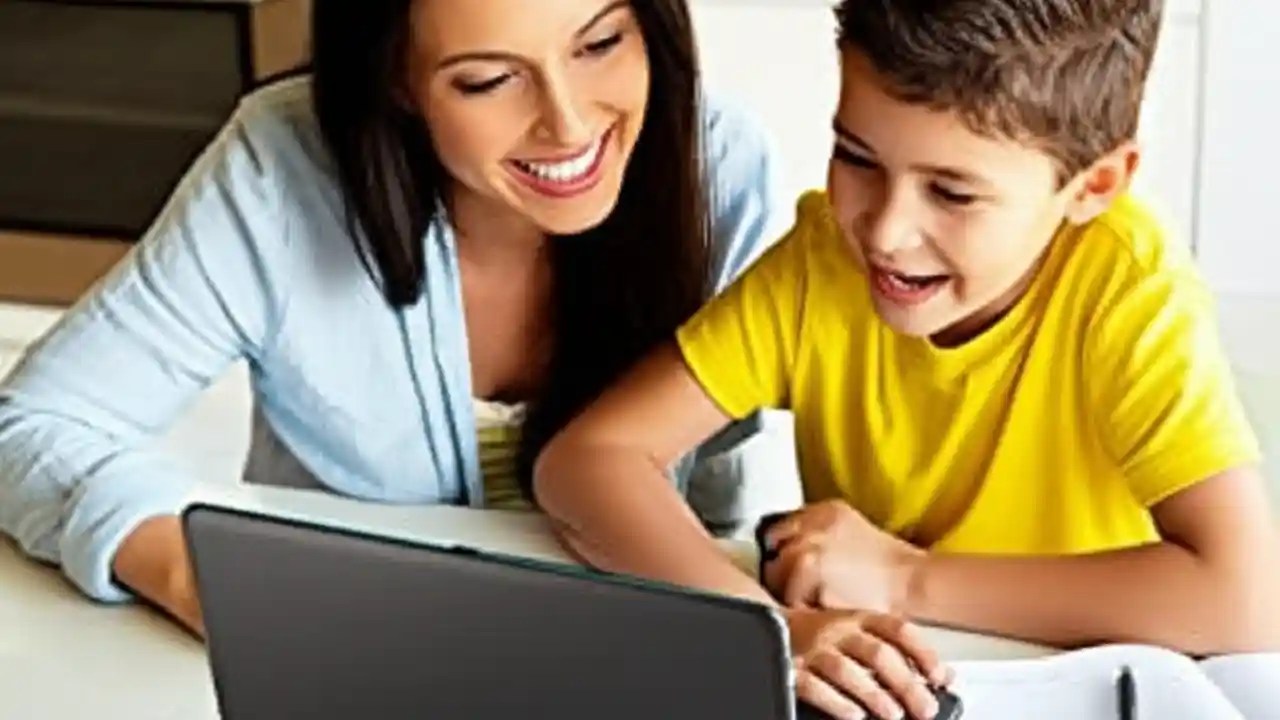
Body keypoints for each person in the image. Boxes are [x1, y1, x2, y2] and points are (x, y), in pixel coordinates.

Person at [534, 1, 1280, 718]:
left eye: (952, 194)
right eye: (856, 157)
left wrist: (908, 579)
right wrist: (768, 634)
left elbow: (1248, 600)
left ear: (1095, 185)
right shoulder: (821, 266)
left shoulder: (1127, 291)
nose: (886, 233)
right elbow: (588, 459)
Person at [0, 0, 789, 639]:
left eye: (600, 43)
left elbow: (717, 490)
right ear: (397, 82)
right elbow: (33, 426)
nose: (571, 124)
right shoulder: (281, 170)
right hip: (347, 670)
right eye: (487, 80)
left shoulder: (719, 167)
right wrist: (205, 586)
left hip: (639, 649)